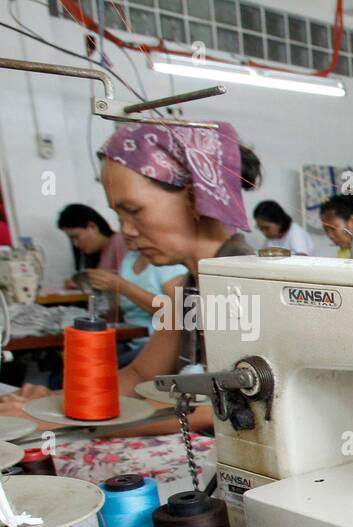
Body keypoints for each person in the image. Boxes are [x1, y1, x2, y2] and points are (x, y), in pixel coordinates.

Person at [2, 121, 260, 457]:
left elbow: (217, 409)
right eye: (118, 215)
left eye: (134, 211)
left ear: (197, 197)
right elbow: (141, 373)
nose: (126, 231)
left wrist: (67, 422)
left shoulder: (244, 285)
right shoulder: (192, 286)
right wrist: (53, 404)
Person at [57, 204, 127, 288]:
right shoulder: (99, 252)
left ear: (92, 227)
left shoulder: (119, 242)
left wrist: (86, 283)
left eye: (76, 237)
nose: (75, 244)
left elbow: (127, 281)